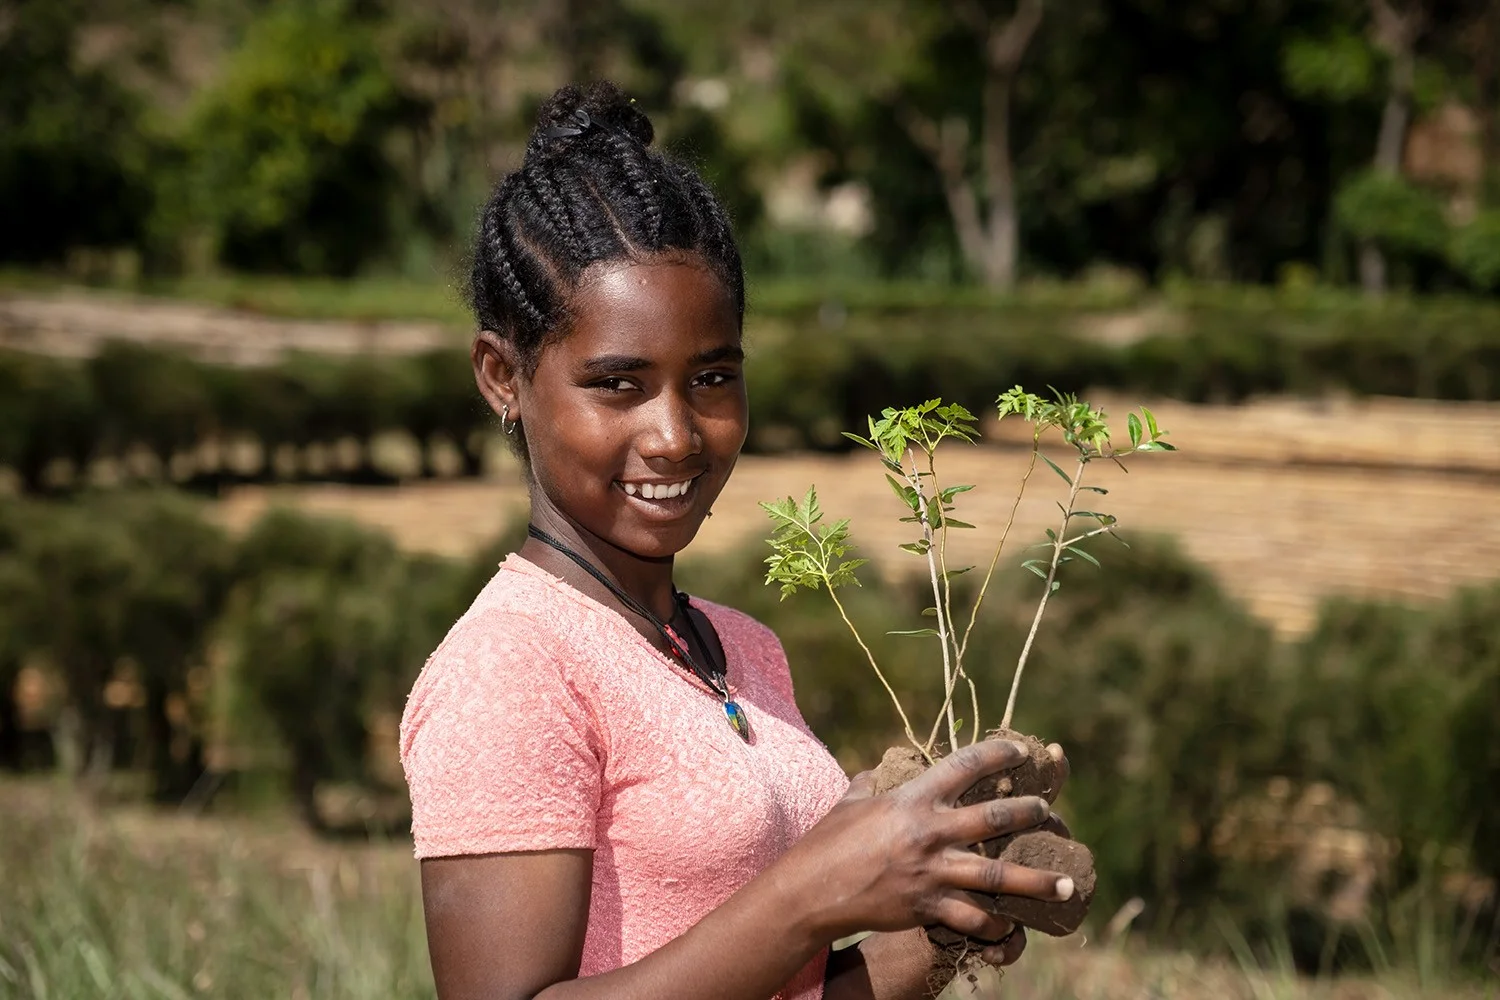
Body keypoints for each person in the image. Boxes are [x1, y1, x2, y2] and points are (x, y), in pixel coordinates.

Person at [399, 82, 1077, 1000]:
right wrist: (814, 892)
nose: (676, 433)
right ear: (500, 377)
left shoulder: (741, 648)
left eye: (712, 377)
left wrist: (944, 915)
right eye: (618, 384)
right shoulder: (512, 669)